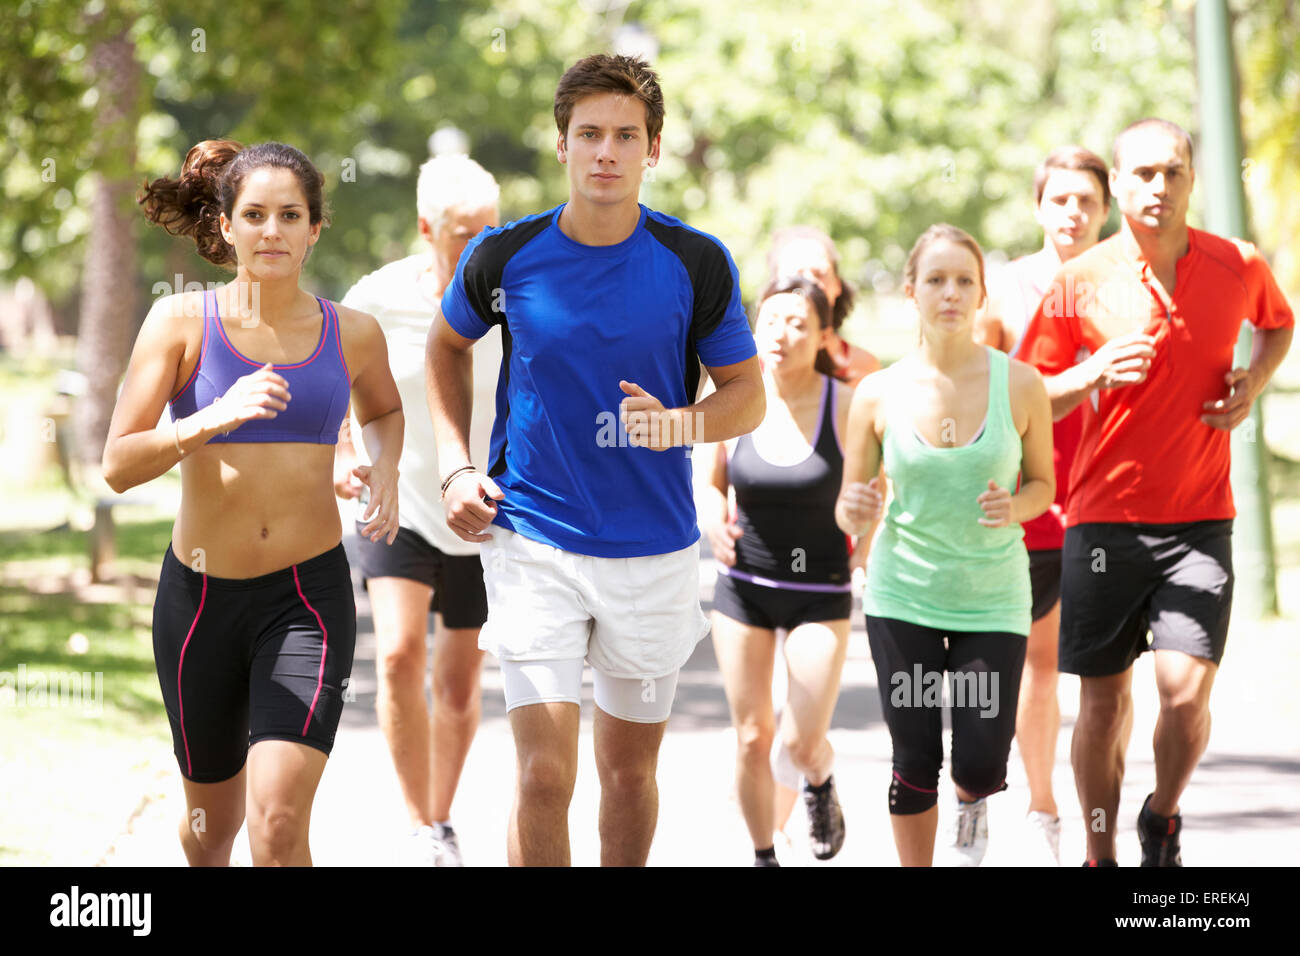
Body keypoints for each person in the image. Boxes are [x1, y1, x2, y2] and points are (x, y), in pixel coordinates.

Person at [426, 54, 764, 867]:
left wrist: (682, 423)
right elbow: (445, 347)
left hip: (651, 552)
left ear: (653, 149)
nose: (605, 151)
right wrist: (455, 466)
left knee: (626, 775)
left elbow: (747, 395)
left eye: (625, 135)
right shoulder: (505, 257)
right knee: (544, 776)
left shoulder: (695, 261)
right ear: (561, 145)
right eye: (589, 135)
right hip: (532, 540)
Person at [104, 140, 403, 865]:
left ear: (315, 229)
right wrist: (210, 418)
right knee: (213, 829)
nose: (273, 230)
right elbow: (117, 462)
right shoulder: (179, 324)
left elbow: (386, 413)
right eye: (256, 214)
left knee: (277, 825)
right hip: (199, 602)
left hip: (306, 598)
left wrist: (384, 467)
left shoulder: (353, 333)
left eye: (291, 215)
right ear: (227, 226)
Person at [1016, 118, 1294, 866]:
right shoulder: (1080, 281)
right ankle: (1099, 855)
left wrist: (1253, 384)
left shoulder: (1237, 264)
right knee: (1102, 706)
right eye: (1142, 173)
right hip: (1103, 525)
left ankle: (1162, 814)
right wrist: (1091, 372)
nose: (1158, 187)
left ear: (1192, 179)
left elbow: (1277, 324)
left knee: (1182, 694)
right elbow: (1027, 393)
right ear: (1121, 182)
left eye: (1172, 172)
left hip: (1202, 520)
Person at [837, 223, 1054, 867]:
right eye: (935, 279)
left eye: (964, 280)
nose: (950, 293)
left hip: (993, 596)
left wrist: (1014, 505)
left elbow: (1043, 484)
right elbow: (851, 506)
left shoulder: (1021, 385)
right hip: (904, 592)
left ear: (983, 293)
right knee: (913, 758)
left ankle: (973, 803)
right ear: (911, 292)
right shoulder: (876, 393)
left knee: (982, 758)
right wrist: (855, 509)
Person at [333, 154, 501, 866]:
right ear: (427, 227)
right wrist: (344, 454)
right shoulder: (379, 295)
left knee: (459, 684)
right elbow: (333, 382)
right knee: (399, 653)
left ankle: (441, 817)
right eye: (464, 234)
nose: (478, 247)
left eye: (490, 231)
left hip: (483, 510)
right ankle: (416, 824)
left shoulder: (513, 294)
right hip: (396, 501)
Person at [973, 145, 1111, 864]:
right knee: (1016, 663)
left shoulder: (1125, 283)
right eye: (1060, 199)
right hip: (1023, 501)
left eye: (1087, 200)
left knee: (1085, 672)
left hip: (1103, 500)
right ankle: (1011, 803)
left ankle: (1064, 813)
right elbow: (976, 386)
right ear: (1038, 207)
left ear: (1105, 209)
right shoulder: (1004, 289)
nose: (1074, 212)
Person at [704, 276, 854, 866]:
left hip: (820, 590)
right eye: (771, 320)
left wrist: (865, 537)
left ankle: (820, 780)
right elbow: (709, 482)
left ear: (822, 336)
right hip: (745, 589)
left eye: (798, 323)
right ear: (754, 327)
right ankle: (764, 851)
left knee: (799, 738)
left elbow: (878, 485)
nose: (782, 334)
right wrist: (712, 517)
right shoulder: (736, 396)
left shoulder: (847, 404)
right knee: (750, 736)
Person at [768, 226, 881, 386]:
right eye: (797, 274)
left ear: (838, 285)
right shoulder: (745, 361)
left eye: (819, 274)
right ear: (774, 285)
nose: (809, 283)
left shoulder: (864, 367)